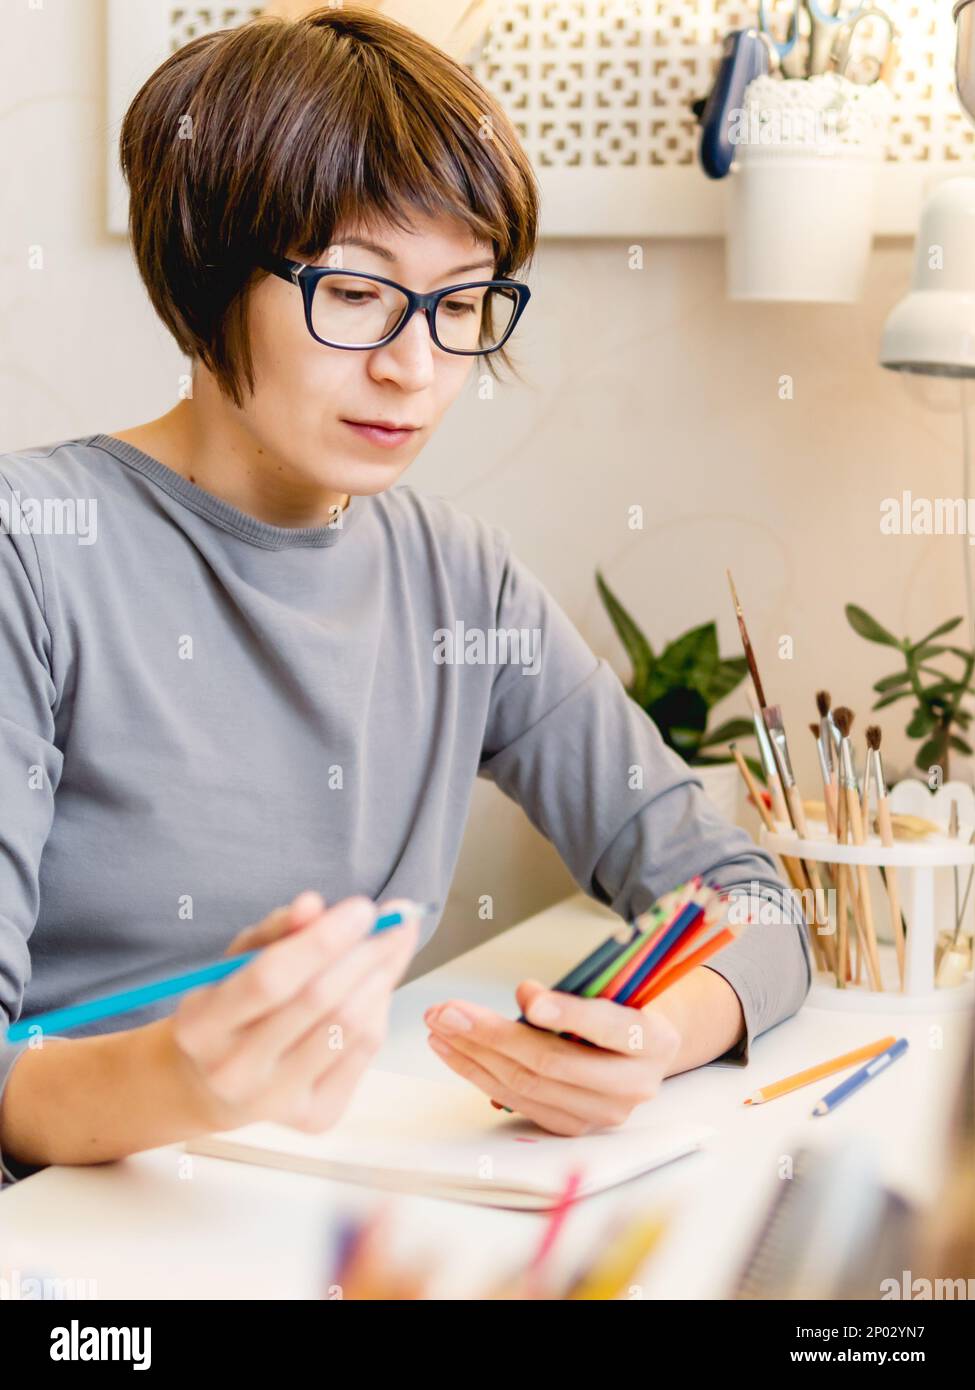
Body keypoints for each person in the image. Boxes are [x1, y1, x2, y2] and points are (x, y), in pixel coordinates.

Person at [0, 6, 809, 1185]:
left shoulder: (460, 581)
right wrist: (183, 1079)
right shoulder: (35, 551)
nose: (415, 368)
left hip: (345, 1218)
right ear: (211, 271)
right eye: (357, 292)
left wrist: (654, 1038)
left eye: (462, 302)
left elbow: (749, 902)